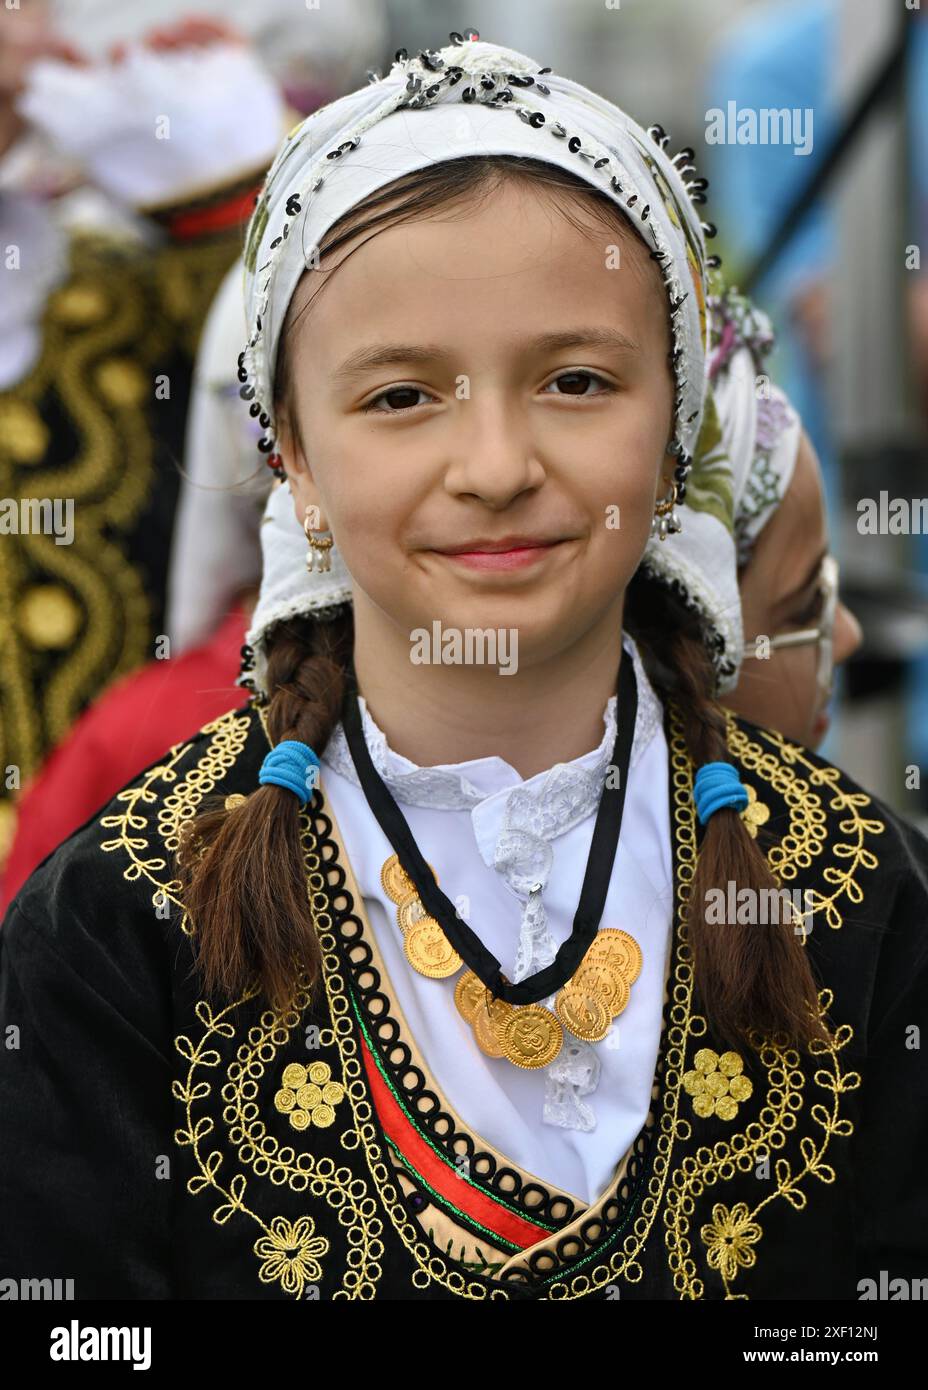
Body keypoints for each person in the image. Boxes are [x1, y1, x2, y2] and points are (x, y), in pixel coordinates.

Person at [1, 34, 926, 1303]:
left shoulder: (854, 889)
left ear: (674, 441)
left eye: (577, 380)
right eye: (399, 397)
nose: (494, 462)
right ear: (297, 465)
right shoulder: (123, 917)